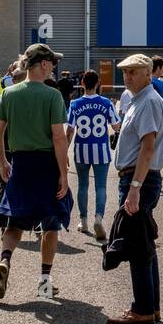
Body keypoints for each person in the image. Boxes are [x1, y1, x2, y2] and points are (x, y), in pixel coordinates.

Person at [0, 44, 72, 301]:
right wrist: (64, 174)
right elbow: (59, 138)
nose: (55, 67)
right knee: (50, 224)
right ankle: (45, 282)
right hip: (46, 164)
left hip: (21, 165)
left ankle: (5, 260)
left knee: (15, 220)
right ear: (43, 64)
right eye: (53, 62)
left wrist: (3, 161)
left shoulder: (9, 94)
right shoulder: (52, 96)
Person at [107, 54, 163, 324]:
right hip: (136, 177)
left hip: (139, 178)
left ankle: (142, 308)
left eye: (133, 72)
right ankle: (150, 307)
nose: (127, 77)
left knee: (136, 245)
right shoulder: (139, 100)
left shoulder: (148, 101)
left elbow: (148, 147)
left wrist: (134, 188)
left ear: (148, 73)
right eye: (125, 72)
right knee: (143, 245)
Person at [65, 70, 119, 241]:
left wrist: (65, 150)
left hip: (81, 150)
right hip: (101, 149)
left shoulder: (75, 104)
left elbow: (70, 130)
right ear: (98, 84)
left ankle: (83, 221)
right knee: (101, 186)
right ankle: (98, 218)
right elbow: (117, 126)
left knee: (82, 185)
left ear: (82, 84)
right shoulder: (106, 103)